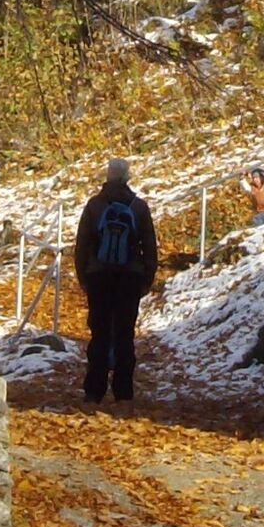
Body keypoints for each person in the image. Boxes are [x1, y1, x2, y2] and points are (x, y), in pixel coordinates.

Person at [73, 157, 158, 404]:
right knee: (124, 332)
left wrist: (84, 275)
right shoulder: (139, 207)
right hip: (129, 277)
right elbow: (149, 246)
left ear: (108, 177)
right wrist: (146, 278)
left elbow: (82, 244)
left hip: (99, 275)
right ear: (127, 177)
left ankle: (94, 389)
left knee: (99, 332)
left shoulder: (94, 206)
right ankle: (123, 391)